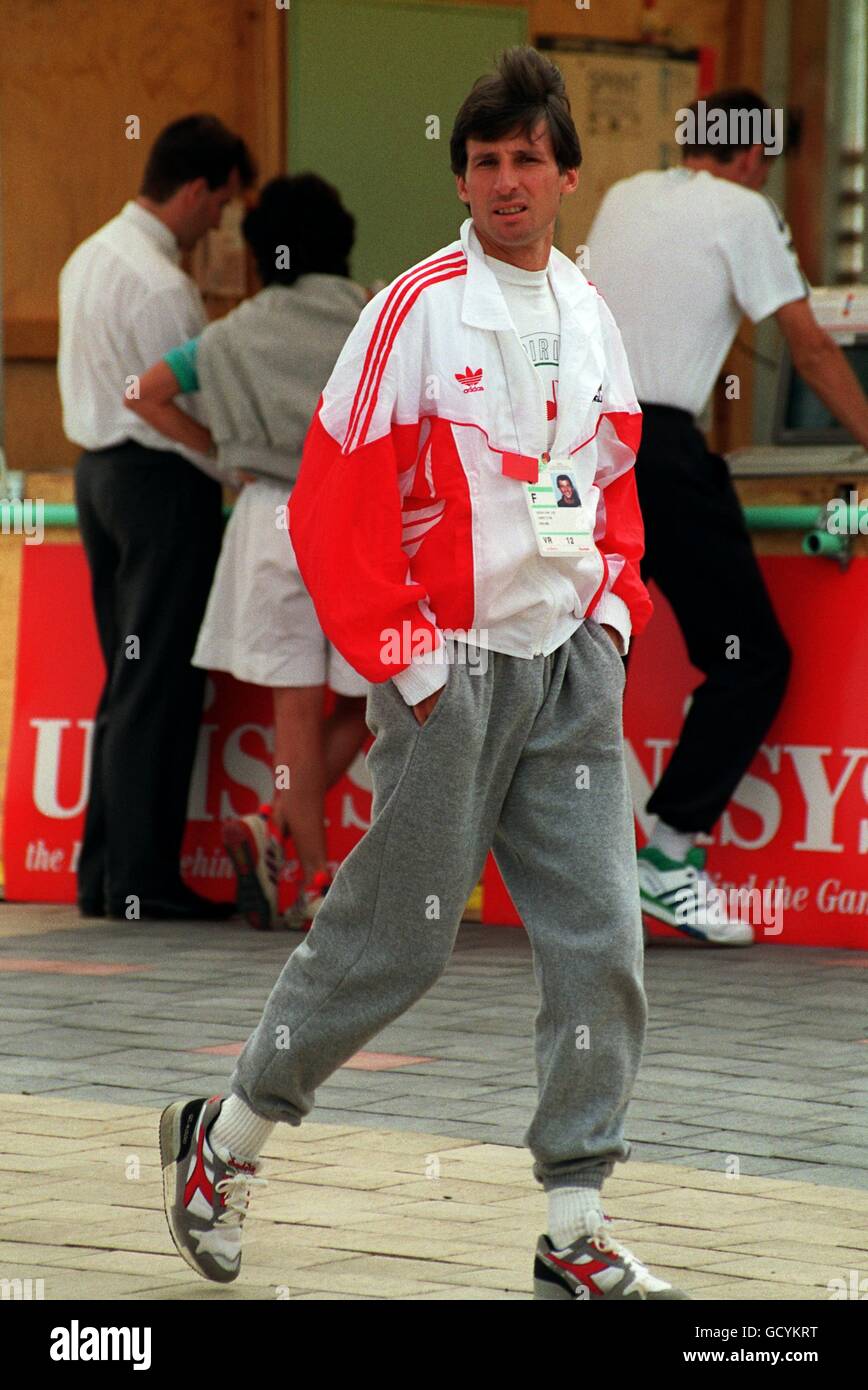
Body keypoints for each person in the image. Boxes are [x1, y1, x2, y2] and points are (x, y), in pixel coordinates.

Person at [160, 46, 690, 1301]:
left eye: (527, 160)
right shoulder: (412, 308)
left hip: (566, 672)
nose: (505, 182)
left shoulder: (594, 315)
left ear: (567, 173)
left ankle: (573, 1223)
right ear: (463, 174)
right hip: (445, 671)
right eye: (484, 160)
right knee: (393, 944)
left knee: (601, 939)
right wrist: (409, 663)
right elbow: (332, 506)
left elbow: (613, 491)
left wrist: (612, 621)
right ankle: (224, 1141)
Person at [587, 88, 868, 947]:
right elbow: (811, 344)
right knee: (753, 659)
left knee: (579, 653)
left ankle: (554, 862)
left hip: (583, 447)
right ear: (752, 157)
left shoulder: (624, 195)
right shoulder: (745, 209)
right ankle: (669, 857)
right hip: (660, 451)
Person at [126, 175, 371, 932]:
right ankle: (282, 836)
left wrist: (223, 450)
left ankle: (308, 873)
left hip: (269, 518)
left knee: (291, 710)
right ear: (342, 239)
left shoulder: (232, 334)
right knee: (374, 701)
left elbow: (144, 390)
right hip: (355, 519)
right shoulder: (374, 316)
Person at [58, 114, 255, 922]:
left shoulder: (89, 256)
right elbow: (178, 399)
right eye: (223, 206)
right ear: (197, 190)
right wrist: (234, 463)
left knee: (127, 680)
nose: (221, 225)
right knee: (159, 685)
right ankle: (144, 881)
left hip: (97, 478)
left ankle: (104, 876)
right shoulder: (162, 284)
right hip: (160, 485)